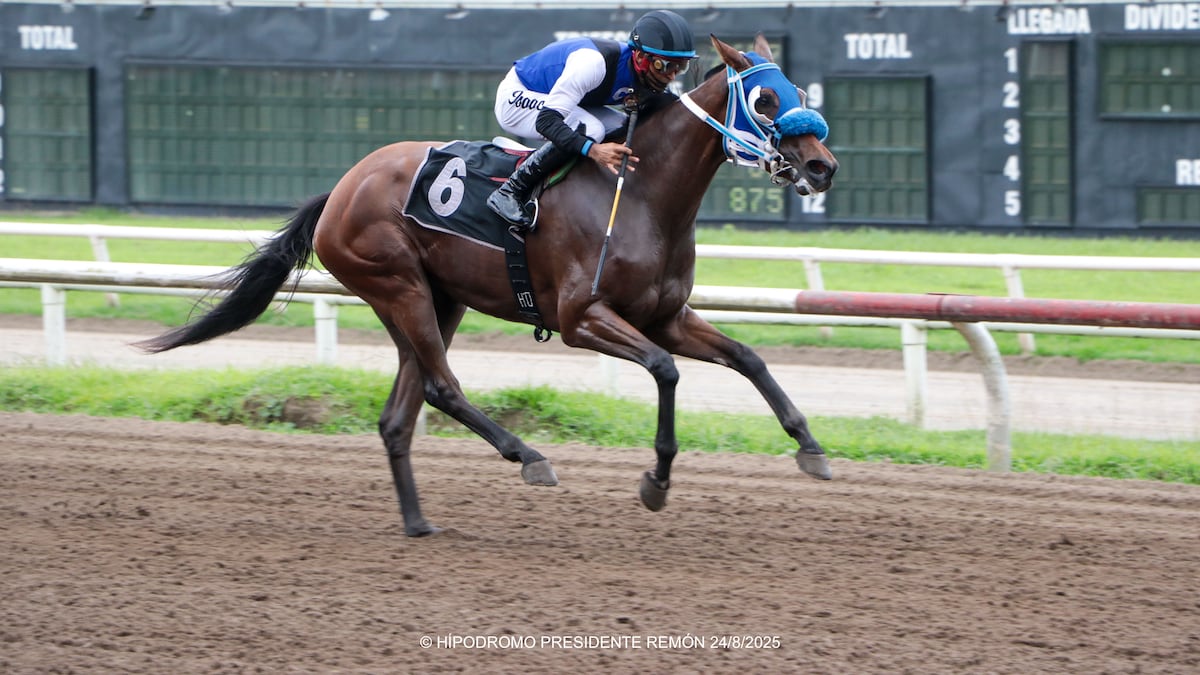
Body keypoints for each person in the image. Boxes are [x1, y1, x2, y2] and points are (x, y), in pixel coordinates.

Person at [486, 9, 696, 229]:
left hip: (565, 102)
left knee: (620, 126)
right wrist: (594, 151)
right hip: (517, 98)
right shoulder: (593, 64)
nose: (672, 75)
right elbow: (546, 122)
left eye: (681, 67)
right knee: (592, 130)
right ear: (641, 57)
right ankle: (510, 190)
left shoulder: (645, 71)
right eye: (665, 66)